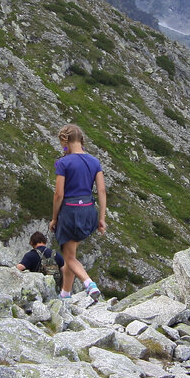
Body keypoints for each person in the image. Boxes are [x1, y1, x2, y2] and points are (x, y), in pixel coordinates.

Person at [49, 123, 106, 301]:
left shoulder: (64, 163)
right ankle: (65, 295)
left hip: (70, 211)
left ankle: (89, 284)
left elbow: (59, 194)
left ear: (64, 142)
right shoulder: (95, 161)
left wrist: (54, 218)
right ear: (81, 140)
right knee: (70, 258)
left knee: (70, 257)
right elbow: (102, 191)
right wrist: (102, 219)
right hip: (88, 210)